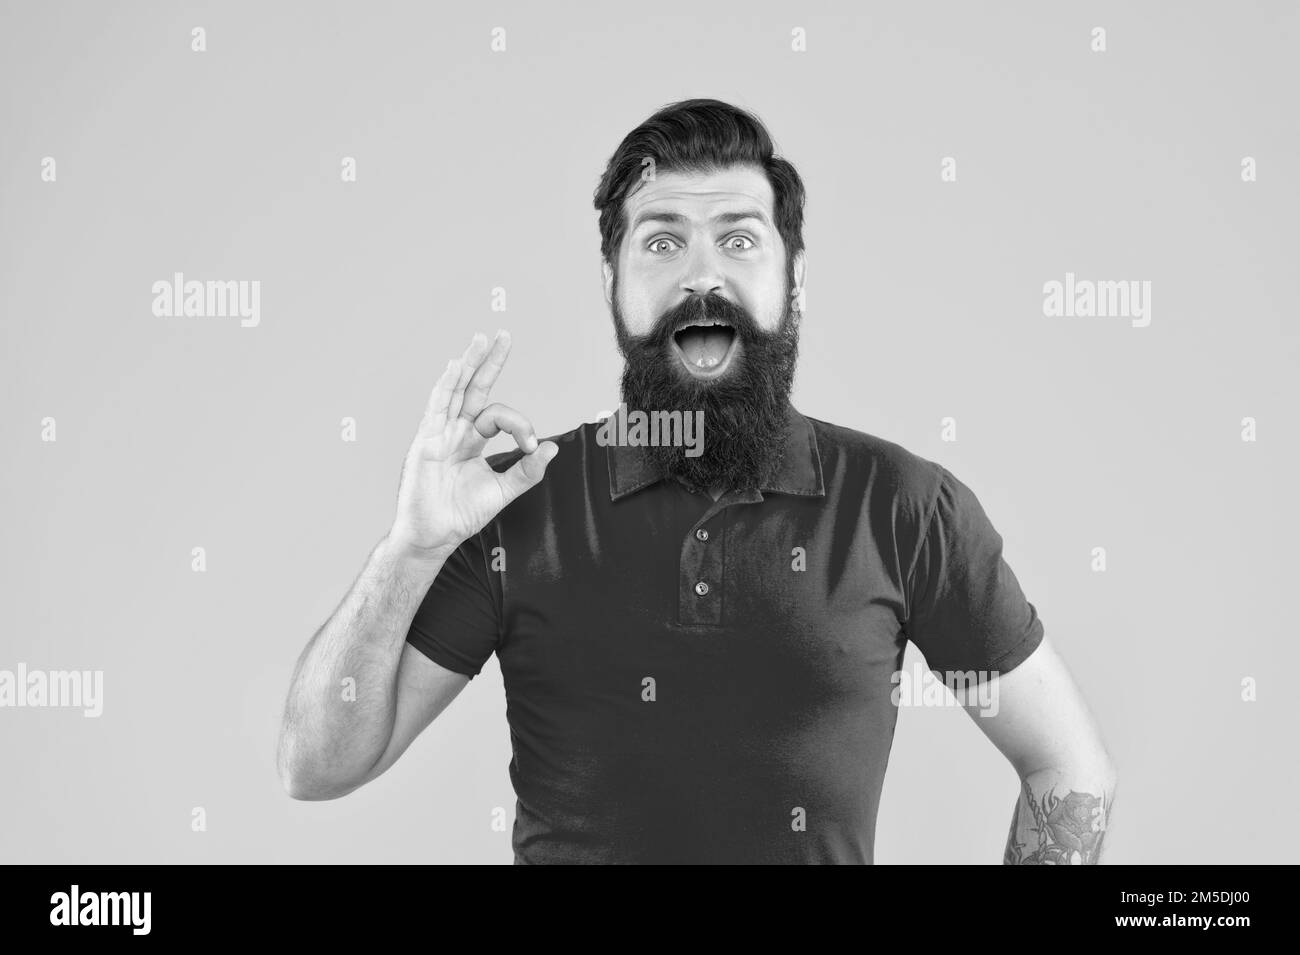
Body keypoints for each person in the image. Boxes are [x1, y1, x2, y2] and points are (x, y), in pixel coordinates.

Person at [276, 99, 1117, 865]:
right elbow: (317, 765)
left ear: (795, 280)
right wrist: (410, 547)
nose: (701, 276)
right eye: (663, 240)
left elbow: (1066, 766)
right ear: (613, 284)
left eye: (740, 239)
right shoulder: (516, 505)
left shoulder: (903, 508)